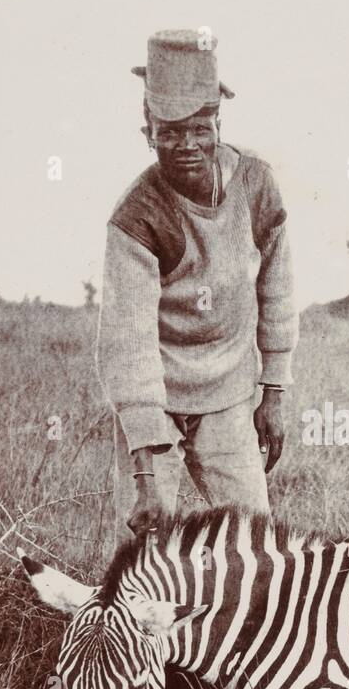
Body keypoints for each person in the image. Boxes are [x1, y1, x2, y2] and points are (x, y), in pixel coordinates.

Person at [97, 29, 298, 537]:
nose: (187, 145)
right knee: (144, 550)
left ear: (217, 124)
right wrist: (145, 468)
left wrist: (272, 390)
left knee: (257, 544)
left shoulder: (256, 184)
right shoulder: (136, 216)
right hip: (157, 400)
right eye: (169, 132)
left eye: (199, 129)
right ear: (148, 132)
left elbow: (276, 289)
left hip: (229, 394)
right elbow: (129, 344)